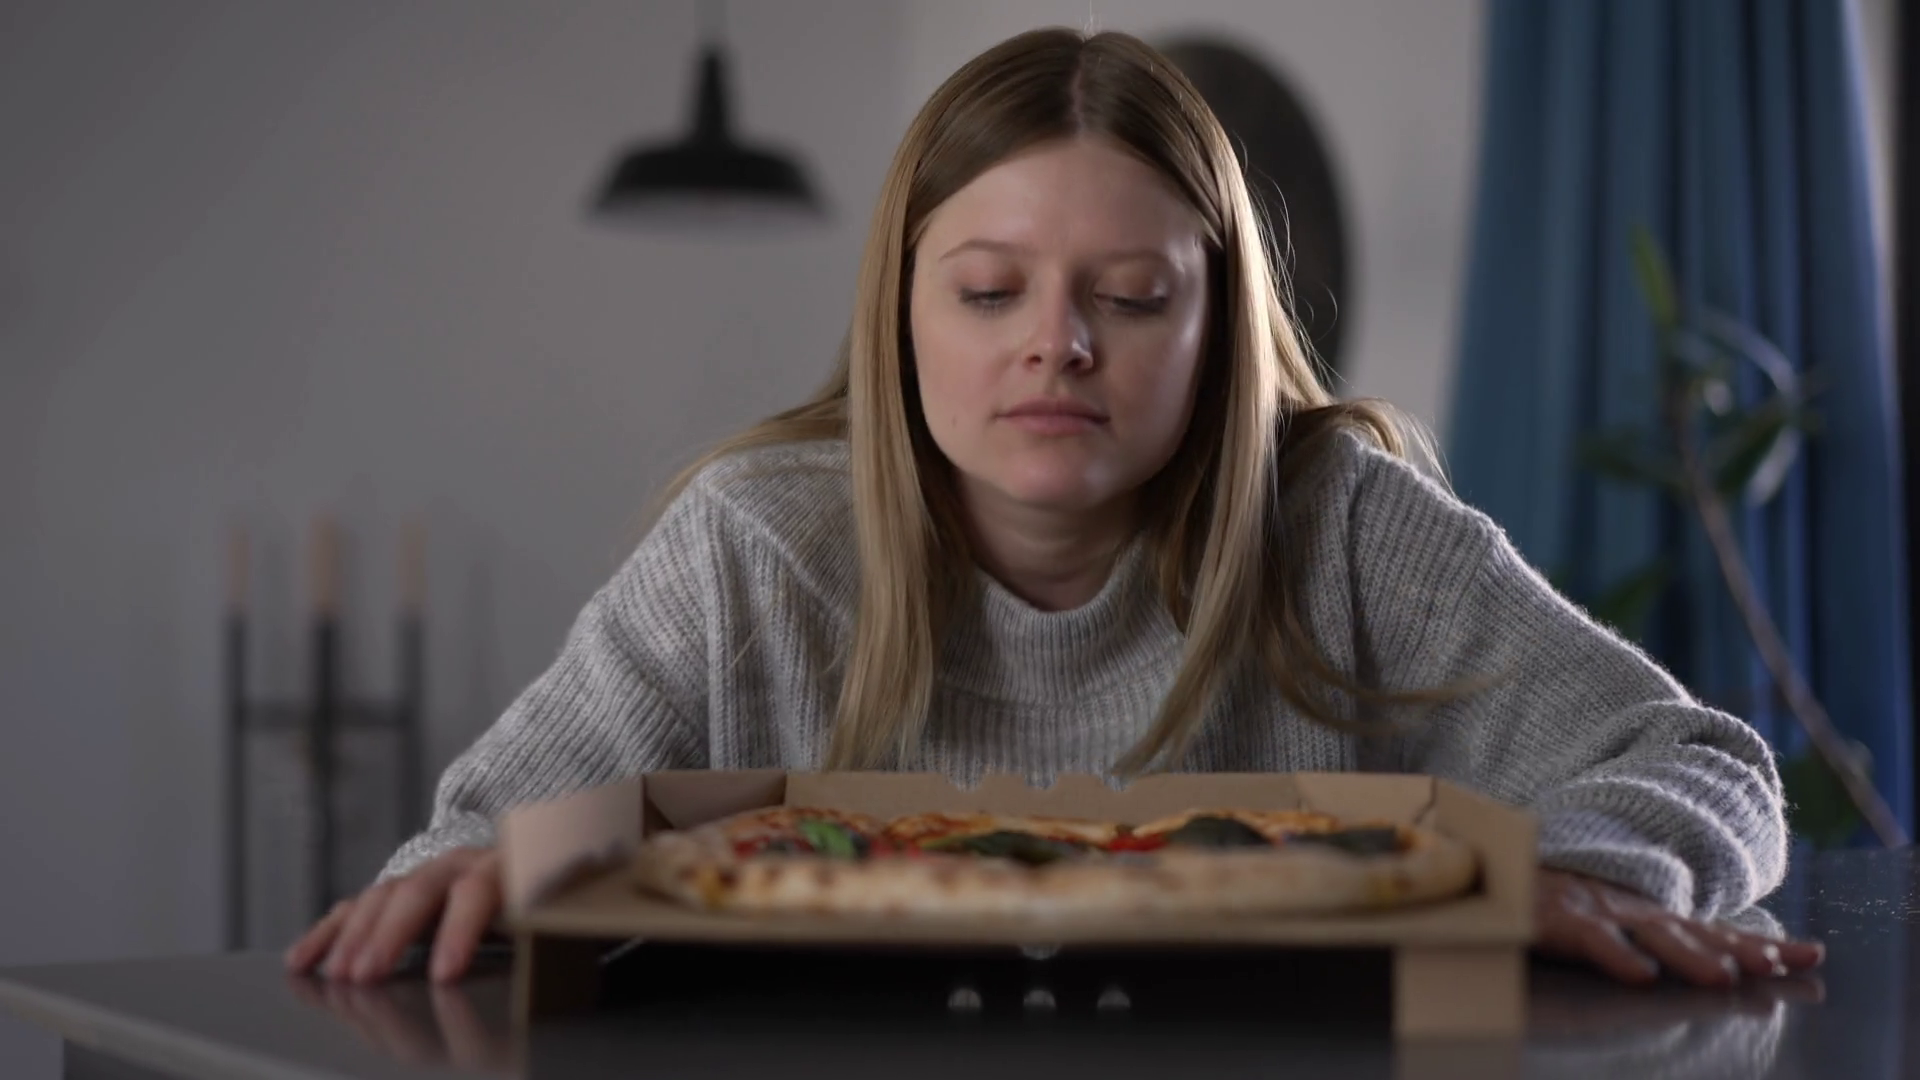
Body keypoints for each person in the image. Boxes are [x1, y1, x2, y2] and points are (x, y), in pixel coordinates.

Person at [287, 27, 1822, 989]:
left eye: (1135, 296)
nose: (1057, 345)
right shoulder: (754, 546)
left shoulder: (1344, 521)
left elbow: (1705, 766)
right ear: (902, 311)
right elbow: (474, 846)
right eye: (988, 290)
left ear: (1222, 331)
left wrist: (1554, 874)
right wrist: (492, 883)